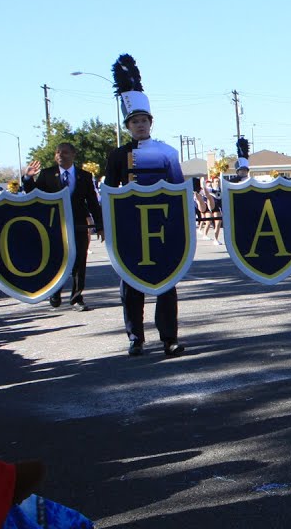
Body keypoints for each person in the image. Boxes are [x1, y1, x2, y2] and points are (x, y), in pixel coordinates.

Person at [102, 54, 187, 358]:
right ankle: (135, 337)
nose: (140, 125)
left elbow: (178, 189)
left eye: (144, 120)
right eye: (135, 121)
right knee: (130, 284)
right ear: (128, 125)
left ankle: (169, 338)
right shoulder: (116, 156)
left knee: (168, 281)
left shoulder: (166, 152)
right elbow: (110, 193)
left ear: (151, 123)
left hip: (161, 226)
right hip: (131, 228)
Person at [22, 142, 104, 311]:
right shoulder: (46, 174)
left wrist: (100, 226)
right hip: (54, 226)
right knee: (56, 260)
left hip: (79, 225)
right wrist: (28, 178)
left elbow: (93, 203)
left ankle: (76, 298)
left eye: (65, 152)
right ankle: (55, 292)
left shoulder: (85, 176)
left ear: (73, 155)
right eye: (58, 152)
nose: (60, 155)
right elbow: (33, 195)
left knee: (80, 261)